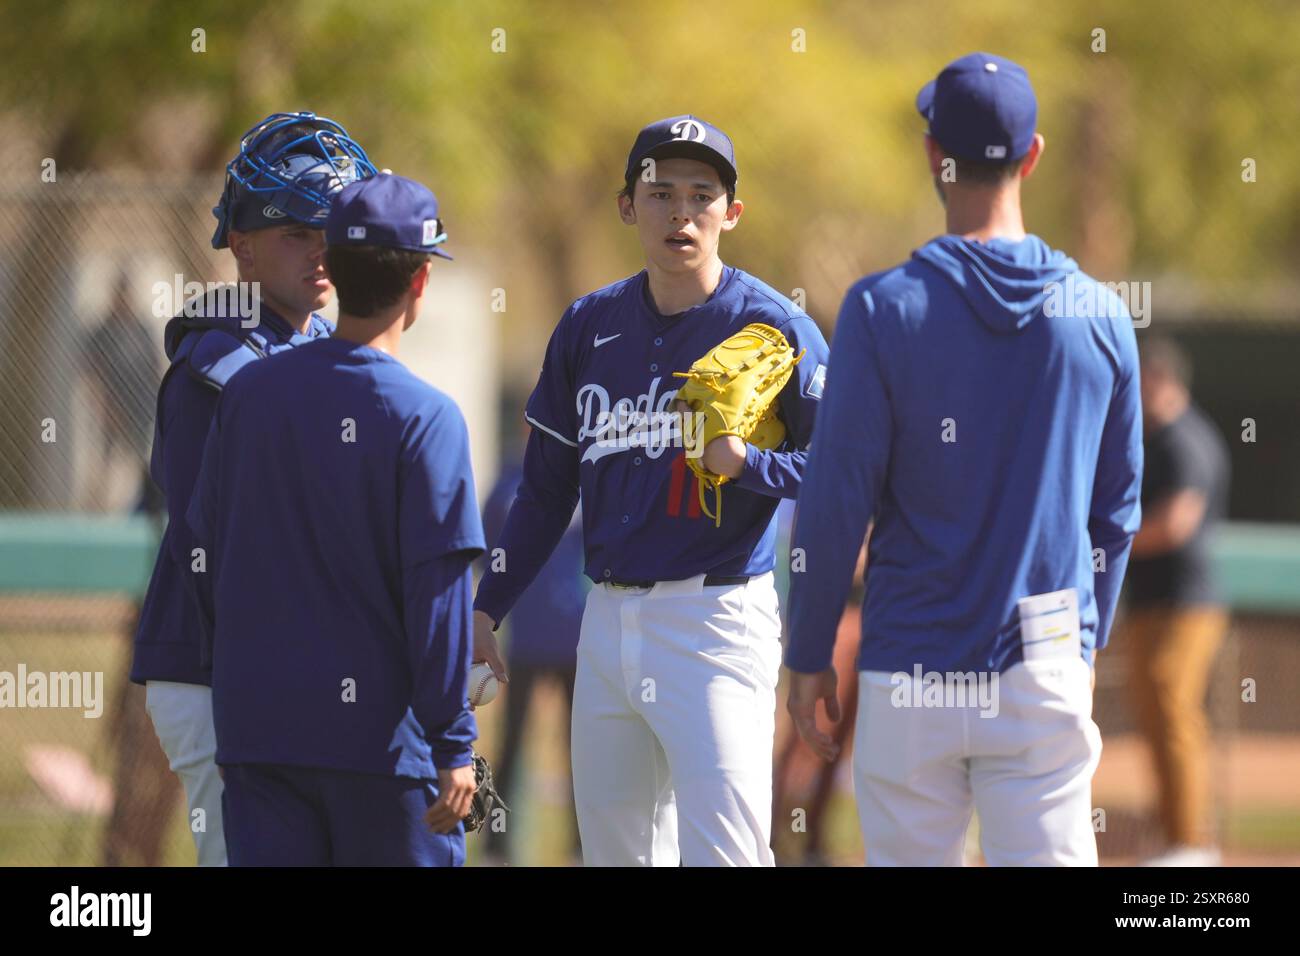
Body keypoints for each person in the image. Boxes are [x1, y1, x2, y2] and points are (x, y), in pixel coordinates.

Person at [784, 53, 1143, 866]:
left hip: (912, 671)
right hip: (1043, 661)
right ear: (1034, 155)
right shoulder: (1101, 315)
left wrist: (807, 653)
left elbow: (836, 501)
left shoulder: (882, 309)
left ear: (931, 154)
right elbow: (1115, 517)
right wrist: (1086, 645)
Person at [473, 115, 830, 866]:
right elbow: (543, 490)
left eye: (703, 195)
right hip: (604, 620)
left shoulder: (774, 325)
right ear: (627, 205)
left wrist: (753, 467)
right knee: (616, 857)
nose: (682, 213)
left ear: (732, 213)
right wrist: (487, 608)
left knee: (726, 854)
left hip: (716, 616)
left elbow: (845, 472)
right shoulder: (588, 325)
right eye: (660, 192)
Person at [186, 173, 483, 866]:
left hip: (260, 740)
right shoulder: (427, 417)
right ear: (420, 282)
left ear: (335, 270)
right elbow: (436, 603)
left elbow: (200, 551)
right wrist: (454, 741)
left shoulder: (249, 392)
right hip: (385, 756)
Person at [129, 111, 375, 866]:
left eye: (333, 231)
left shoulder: (303, 347)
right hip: (216, 671)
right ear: (242, 246)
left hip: (266, 669)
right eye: (298, 232)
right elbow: (230, 544)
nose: (323, 252)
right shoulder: (218, 363)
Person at [1123, 336, 1230, 866]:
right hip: (1152, 601)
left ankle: (1192, 842)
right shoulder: (1154, 437)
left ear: (1160, 378)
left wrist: (1111, 539)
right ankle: (1174, 839)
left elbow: (1177, 521)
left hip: (1186, 602)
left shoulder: (1185, 438)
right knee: (1155, 711)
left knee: (1173, 706)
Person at [478, 426, 586, 866]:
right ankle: (496, 847)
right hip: (525, 636)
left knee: (583, 749)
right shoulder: (507, 481)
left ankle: (584, 846)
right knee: (512, 744)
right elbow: (487, 551)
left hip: (575, 635)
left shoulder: (582, 475)